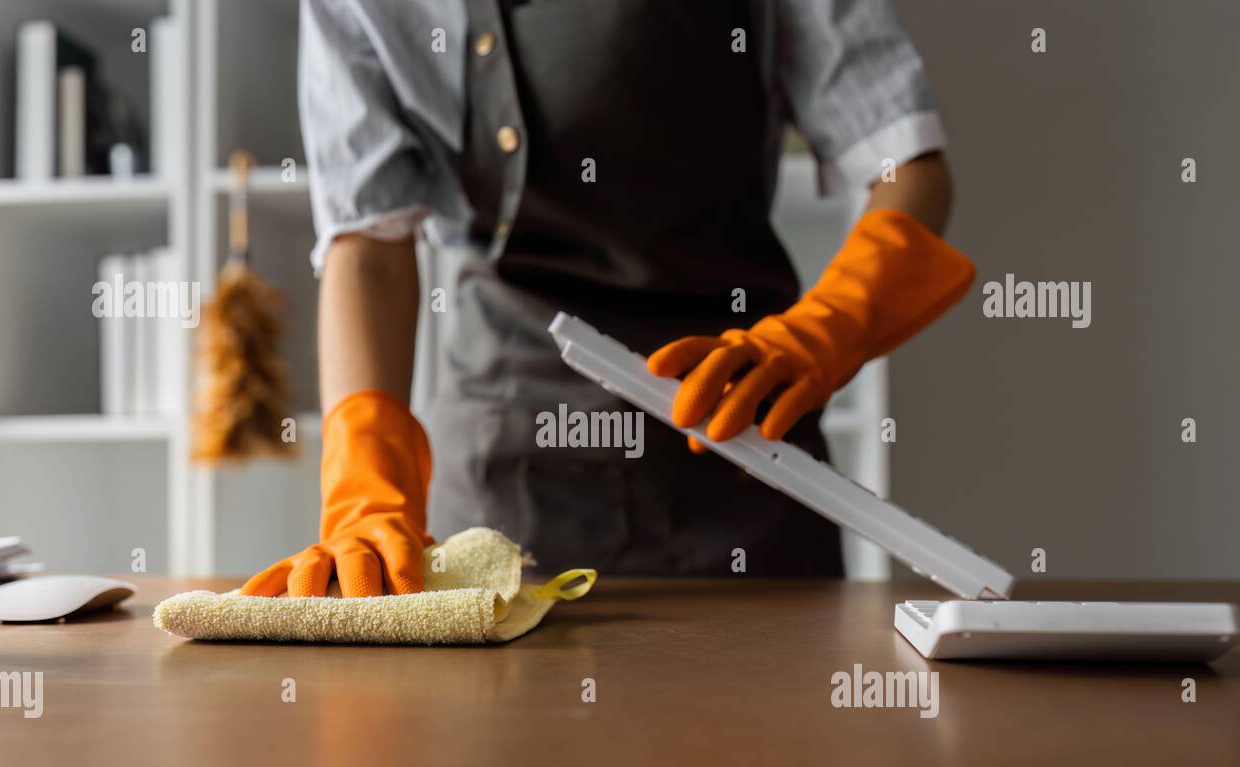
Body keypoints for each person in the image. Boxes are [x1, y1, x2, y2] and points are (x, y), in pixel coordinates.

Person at [242, 0, 975, 598]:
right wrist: (366, 481)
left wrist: (825, 330)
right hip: (506, 482)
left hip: (747, 459)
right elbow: (368, 243)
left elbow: (907, 163)